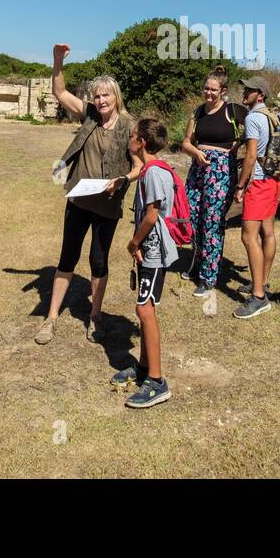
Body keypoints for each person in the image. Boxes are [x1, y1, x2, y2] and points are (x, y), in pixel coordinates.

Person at [35, 42, 142, 345]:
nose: (100, 99)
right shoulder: (90, 115)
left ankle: (94, 317)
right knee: (67, 257)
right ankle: (51, 317)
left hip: (107, 204)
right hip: (80, 199)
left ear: (115, 97)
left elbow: (138, 166)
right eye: (96, 95)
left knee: (99, 260)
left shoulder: (129, 126)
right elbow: (60, 92)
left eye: (105, 94)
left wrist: (122, 180)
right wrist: (57, 61)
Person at [110, 118, 178, 408]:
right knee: (145, 306)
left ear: (142, 143)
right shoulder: (153, 169)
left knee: (144, 308)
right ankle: (142, 368)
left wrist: (133, 242)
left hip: (152, 250)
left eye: (133, 135)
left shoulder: (152, 174)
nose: (130, 138)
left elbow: (152, 216)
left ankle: (157, 381)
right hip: (149, 250)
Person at [180, 64, 246, 298]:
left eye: (213, 90)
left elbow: (252, 135)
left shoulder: (233, 111)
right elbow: (186, 142)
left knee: (212, 223)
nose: (208, 93)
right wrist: (195, 153)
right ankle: (196, 264)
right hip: (198, 170)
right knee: (194, 218)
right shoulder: (198, 112)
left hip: (221, 173)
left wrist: (235, 150)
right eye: (206, 88)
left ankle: (208, 277)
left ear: (223, 91)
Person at [233, 75, 279, 319]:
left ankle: (259, 297)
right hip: (273, 180)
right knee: (267, 232)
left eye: (249, 89)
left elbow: (250, 157)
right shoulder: (272, 116)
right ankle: (262, 281)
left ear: (259, 95)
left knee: (248, 236)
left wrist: (241, 185)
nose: (245, 92)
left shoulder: (252, 118)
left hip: (259, 182)